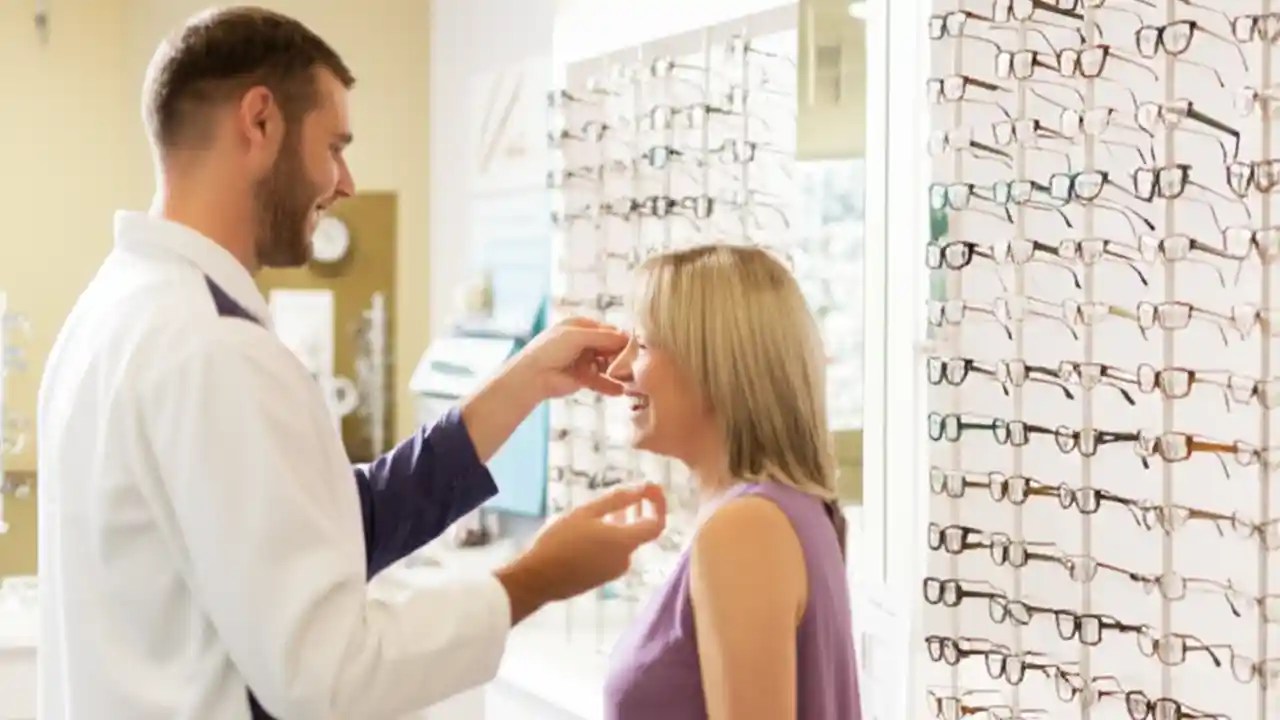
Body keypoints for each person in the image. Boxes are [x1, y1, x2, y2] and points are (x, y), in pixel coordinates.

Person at [36, 7, 665, 720]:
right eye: (334, 146)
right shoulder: (214, 350)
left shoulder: (112, 313)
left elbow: (324, 532)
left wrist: (523, 383)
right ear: (261, 122)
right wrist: (536, 577)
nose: (344, 182)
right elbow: (326, 675)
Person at [601, 245, 862, 719]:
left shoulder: (746, 529)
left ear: (714, 363)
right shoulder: (781, 511)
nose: (618, 372)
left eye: (640, 346)